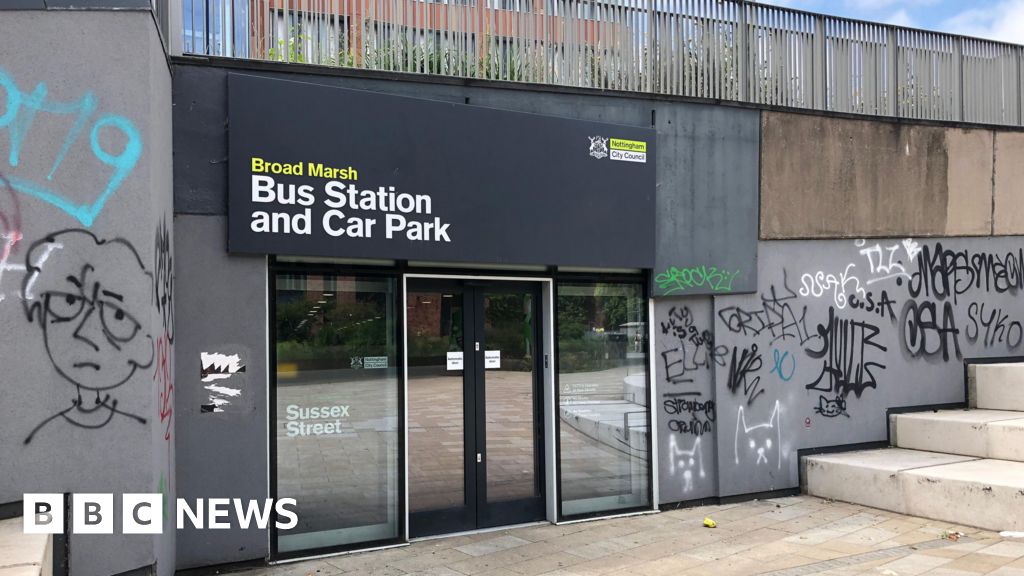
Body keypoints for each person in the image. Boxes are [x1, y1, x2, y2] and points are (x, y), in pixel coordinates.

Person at [22, 229, 153, 444]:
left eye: (117, 315)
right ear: (40, 310)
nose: (84, 332)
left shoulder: (133, 432)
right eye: (70, 302)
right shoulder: (44, 433)